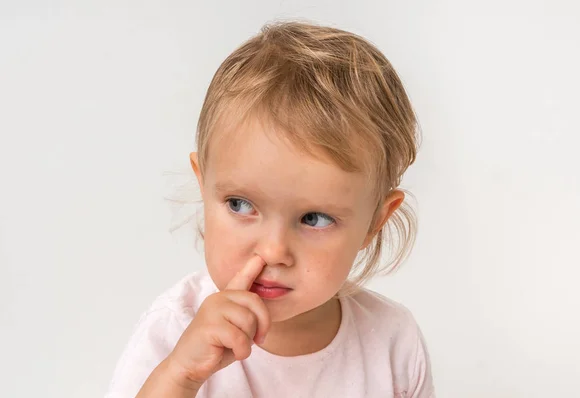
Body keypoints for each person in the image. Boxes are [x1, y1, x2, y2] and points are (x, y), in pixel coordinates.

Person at [105, 20, 435, 398]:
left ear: (375, 221)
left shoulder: (392, 341)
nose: (274, 250)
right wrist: (180, 377)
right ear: (204, 184)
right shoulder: (175, 329)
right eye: (241, 204)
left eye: (314, 218)